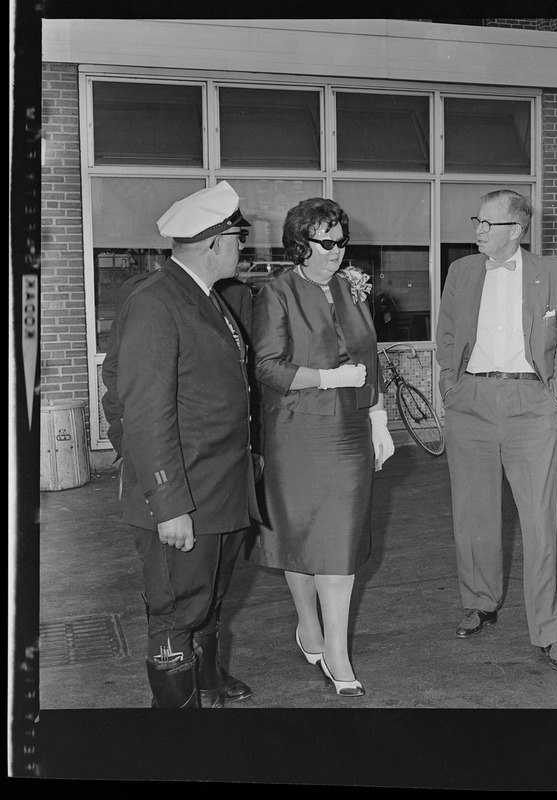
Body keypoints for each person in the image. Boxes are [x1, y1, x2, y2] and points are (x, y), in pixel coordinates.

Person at [101, 181, 262, 707]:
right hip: (181, 497)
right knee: (176, 608)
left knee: (210, 595)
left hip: (218, 488)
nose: (244, 247)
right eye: (238, 237)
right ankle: (176, 720)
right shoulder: (156, 302)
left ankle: (208, 682)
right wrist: (166, 503)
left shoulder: (204, 297)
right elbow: (143, 410)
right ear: (214, 243)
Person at [435, 189, 557, 672]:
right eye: (477, 219)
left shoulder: (555, 274)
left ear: (517, 231)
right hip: (471, 402)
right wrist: (452, 389)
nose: (477, 229)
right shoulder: (461, 272)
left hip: (531, 403)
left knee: (539, 521)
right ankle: (480, 602)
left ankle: (547, 630)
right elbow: (448, 336)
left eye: (488, 223)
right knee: (473, 513)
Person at [252, 197, 394, 697]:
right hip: (296, 432)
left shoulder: (352, 286)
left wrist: (378, 416)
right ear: (300, 243)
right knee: (299, 536)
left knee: (340, 539)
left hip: (349, 433)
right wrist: (329, 377)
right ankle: (306, 623)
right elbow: (267, 367)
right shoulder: (276, 293)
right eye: (326, 243)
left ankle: (336, 649)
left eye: (342, 241)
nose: (337, 252)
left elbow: (370, 356)